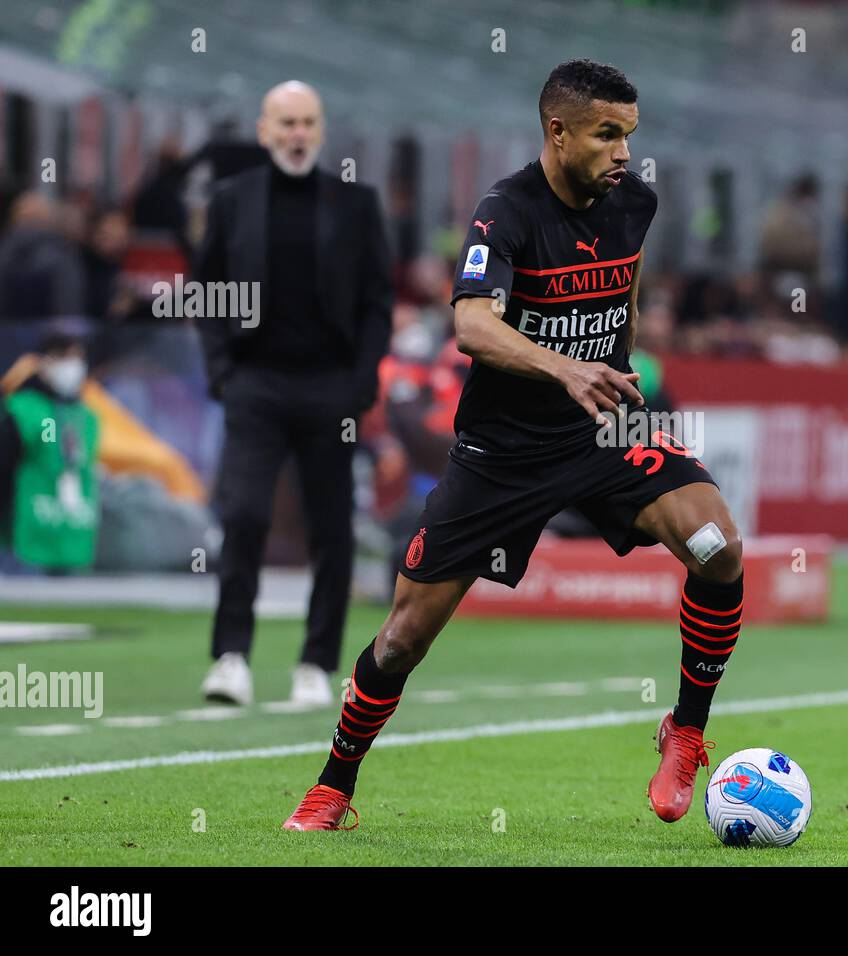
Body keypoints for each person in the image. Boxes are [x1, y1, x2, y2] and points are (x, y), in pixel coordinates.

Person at [283, 59, 744, 832]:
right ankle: (333, 785)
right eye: (607, 135)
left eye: (630, 135)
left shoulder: (636, 203)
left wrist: (618, 375)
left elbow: (625, 288)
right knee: (400, 641)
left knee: (718, 547)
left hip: (605, 429)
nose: (624, 153)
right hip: (505, 452)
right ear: (557, 133)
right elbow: (472, 325)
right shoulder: (505, 213)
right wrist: (566, 368)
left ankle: (685, 730)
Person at [195, 81, 393, 707]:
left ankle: (316, 663)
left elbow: (377, 301)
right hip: (253, 383)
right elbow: (206, 290)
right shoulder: (231, 200)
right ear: (264, 131)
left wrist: (362, 382)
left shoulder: (356, 203)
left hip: (330, 388)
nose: (298, 133)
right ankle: (230, 658)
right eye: (286, 123)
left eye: (308, 122)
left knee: (331, 527)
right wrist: (223, 370)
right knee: (244, 515)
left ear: (321, 129)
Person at [0, 332, 99, 574]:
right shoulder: (25, 410)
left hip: (73, 538)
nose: (72, 365)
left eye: (77, 357)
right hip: (26, 539)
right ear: (43, 362)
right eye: (63, 357)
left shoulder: (87, 415)